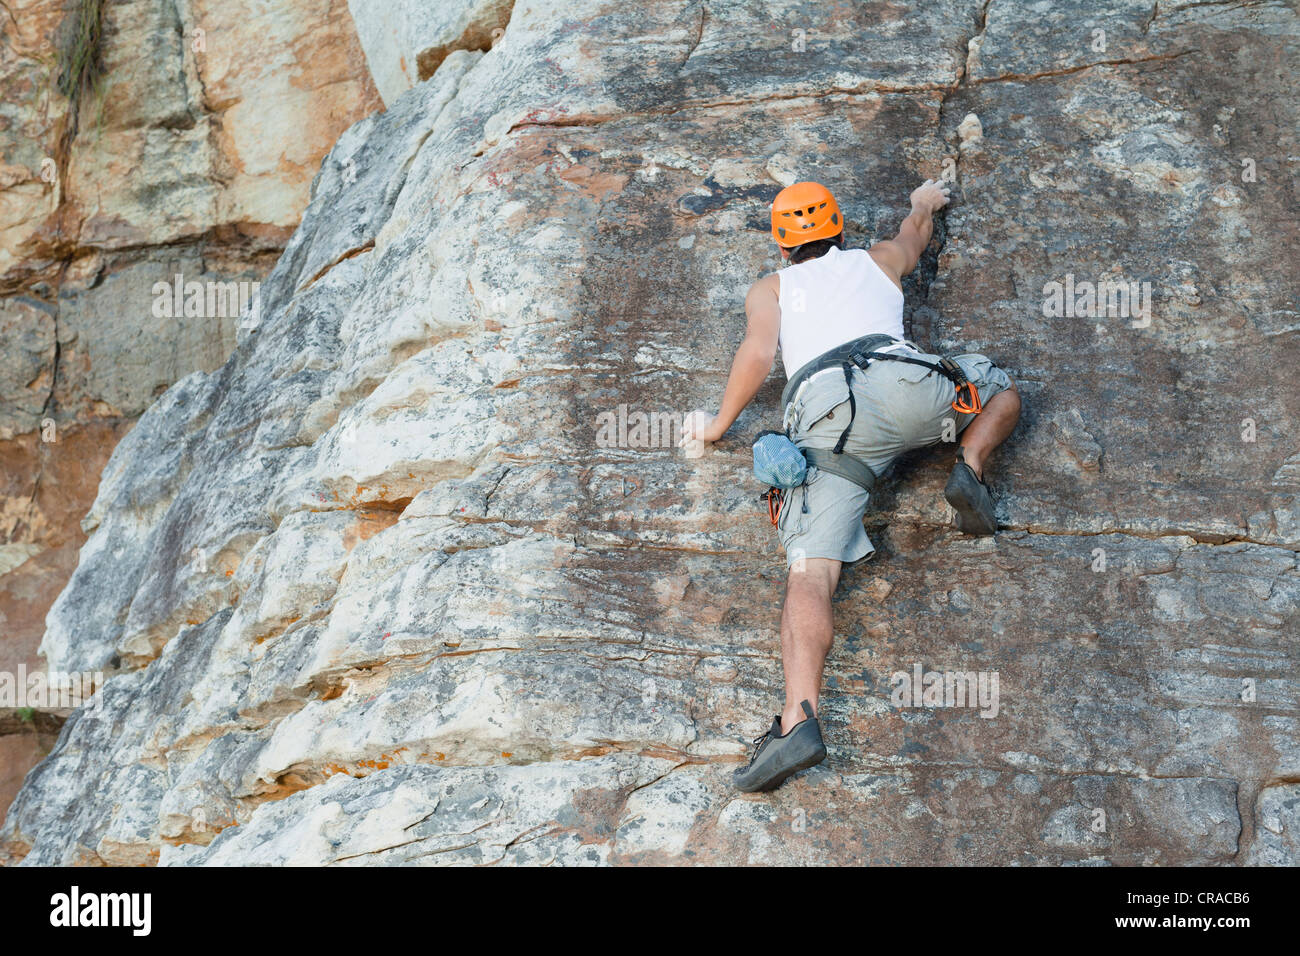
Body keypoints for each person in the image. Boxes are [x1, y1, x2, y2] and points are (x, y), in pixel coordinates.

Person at [680, 179, 1021, 792]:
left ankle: (798, 720)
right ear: (838, 229)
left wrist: (715, 426)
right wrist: (923, 201)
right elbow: (914, 234)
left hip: (831, 420)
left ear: (783, 246)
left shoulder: (774, 288)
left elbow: (758, 355)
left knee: (811, 572)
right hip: (908, 388)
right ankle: (968, 467)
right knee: (998, 389)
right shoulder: (876, 261)